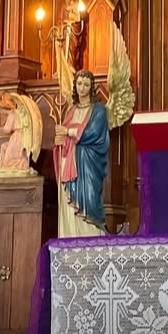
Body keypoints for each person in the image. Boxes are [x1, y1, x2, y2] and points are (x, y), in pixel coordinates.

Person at [53, 70, 109, 237]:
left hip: (88, 163)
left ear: (91, 87)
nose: (82, 88)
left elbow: (94, 133)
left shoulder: (99, 110)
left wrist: (68, 132)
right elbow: (64, 140)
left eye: (86, 84)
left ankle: (89, 238)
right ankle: (70, 237)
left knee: (89, 199)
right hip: (69, 162)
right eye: (79, 84)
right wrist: (59, 140)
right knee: (68, 202)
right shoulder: (70, 110)